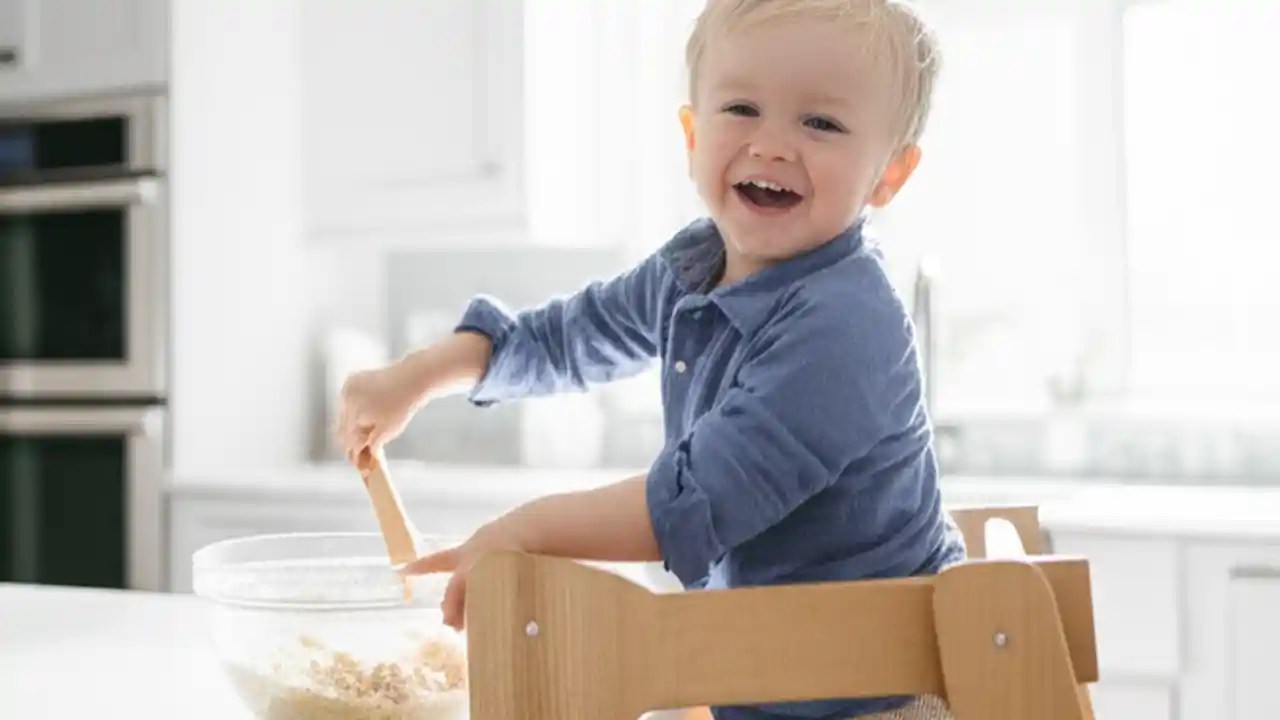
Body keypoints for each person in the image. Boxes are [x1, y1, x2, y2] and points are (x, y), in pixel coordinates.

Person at [335, 1, 964, 716]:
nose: (772, 145)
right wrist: (422, 373)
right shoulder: (696, 265)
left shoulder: (847, 327)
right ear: (693, 134)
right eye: (741, 108)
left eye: (820, 122)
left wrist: (525, 530)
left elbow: (692, 502)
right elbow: (568, 337)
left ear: (889, 174)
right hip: (770, 680)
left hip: (876, 697)